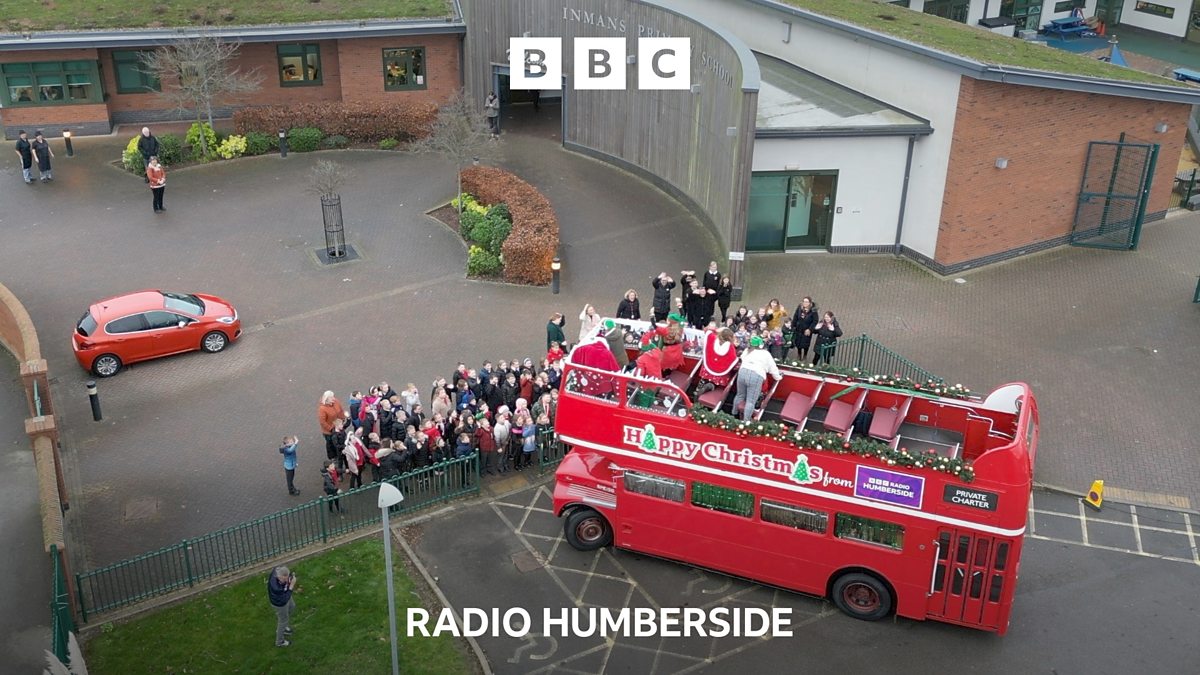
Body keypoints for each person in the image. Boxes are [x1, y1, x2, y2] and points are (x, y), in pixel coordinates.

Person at [733, 335, 782, 422]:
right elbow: (773, 368)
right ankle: (746, 421)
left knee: (739, 395)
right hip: (756, 375)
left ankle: (734, 414)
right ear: (761, 345)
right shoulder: (765, 354)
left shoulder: (747, 350)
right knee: (751, 401)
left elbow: (742, 358)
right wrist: (778, 377)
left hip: (742, 372)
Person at [267, 565, 297, 647]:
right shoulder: (277, 588)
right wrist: (291, 586)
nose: (287, 580)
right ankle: (279, 642)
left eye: (287, 577)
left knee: (292, 606)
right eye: (284, 579)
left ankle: (285, 627)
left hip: (285, 595)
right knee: (283, 620)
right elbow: (284, 599)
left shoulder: (277, 570)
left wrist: (290, 578)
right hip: (279, 603)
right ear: (278, 577)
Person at [318, 391, 346, 461]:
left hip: (338, 426)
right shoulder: (322, 409)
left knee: (339, 441)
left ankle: (339, 454)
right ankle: (332, 456)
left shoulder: (336, 401)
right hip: (328, 431)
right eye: (331, 398)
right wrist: (331, 429)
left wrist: (342, 419)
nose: (334, 399)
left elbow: (341, 410)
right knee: (330, 443)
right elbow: (322, 422)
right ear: (327, 399)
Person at [791, 297, 819, 363]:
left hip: (807, 330)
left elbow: (815, 321)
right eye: (804, 301)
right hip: (799, 329)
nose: (805, 303)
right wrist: (793, 326)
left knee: (806, 343)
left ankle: (805, 355)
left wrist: (810, 329)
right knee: (798, 342)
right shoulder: (799, 308)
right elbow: (795, 316)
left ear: (810, 303)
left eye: (806, 302)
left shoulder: (813, 311)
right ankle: (799, 354)